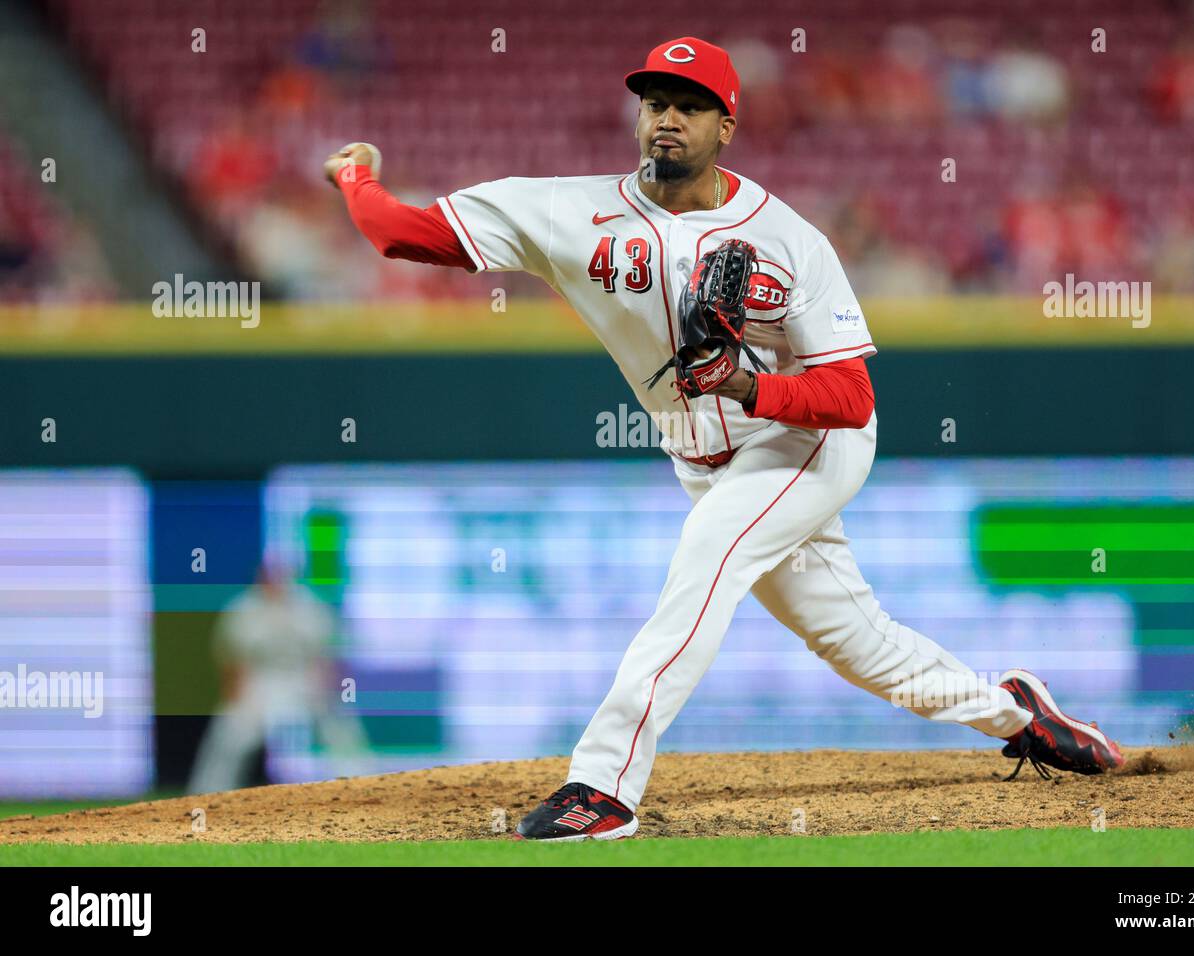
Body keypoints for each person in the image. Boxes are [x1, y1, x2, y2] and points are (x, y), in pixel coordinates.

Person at [323, 36, 1124, 842]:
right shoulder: (568, 211)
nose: (667, 119)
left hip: (803, 441)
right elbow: (403, 234)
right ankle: (1018, 715)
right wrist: (355, 177)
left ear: (726, 124)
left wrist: (746, 384)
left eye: (690, 105)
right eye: (655, 103)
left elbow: (849, 398)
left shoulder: (790, 238)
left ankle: (601, 786)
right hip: (704, 460)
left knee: (705, 561)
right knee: (857, 643)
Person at [187, 561, 368, 794]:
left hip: (302, 677)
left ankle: (365, 788)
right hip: (261, 681)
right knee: (230, 734)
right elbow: (231, 657)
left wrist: (329, 689)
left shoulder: (309, 607)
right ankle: (207, 794)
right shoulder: (244, 609)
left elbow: (327, 654)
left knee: (340, 729)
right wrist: (234, 693)